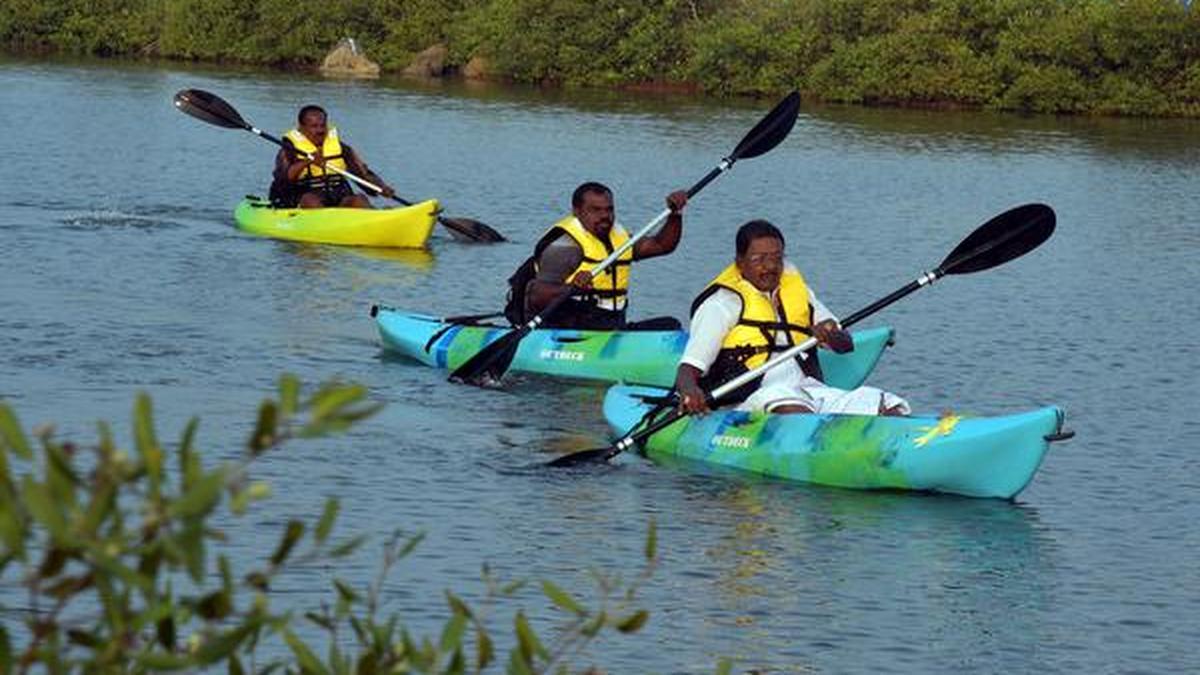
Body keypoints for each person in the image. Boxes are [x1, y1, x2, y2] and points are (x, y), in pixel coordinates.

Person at [675, 219, 910, 416]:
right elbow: (688, 369)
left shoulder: (798, 293)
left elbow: (845, 345)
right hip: (749, 400)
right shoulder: (722, 305)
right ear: (740, 262)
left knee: (885, 403)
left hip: (808, 390)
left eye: (777, 258)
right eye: (758, 259)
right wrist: (690, 391)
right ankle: (819, 447)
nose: (769, 267)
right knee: (788, 402)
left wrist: (829, 334)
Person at [508, 181, 688, 330]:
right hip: (566, 330)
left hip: (609, 327)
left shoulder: (619, 239)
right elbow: (535, 297)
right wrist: (573, 288)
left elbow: (662, 245)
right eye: (595, 210)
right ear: (577, 212)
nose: (605, 216)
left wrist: (675, 214)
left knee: (670, 325)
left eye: (609, 209)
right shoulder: (565, 247)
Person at [268, 105, 395, 209]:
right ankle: (320, 226)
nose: (320, 130)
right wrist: (308, 161)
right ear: (302, 128)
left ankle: (374, 219)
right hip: (305, 195)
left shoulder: (341, 148)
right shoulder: (289, 149)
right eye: (314, 126)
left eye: (322, 125)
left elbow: (363, 173)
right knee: (311, 201)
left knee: (360, 200)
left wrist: (380, 187)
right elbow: (284, 179)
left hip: (339, 194)